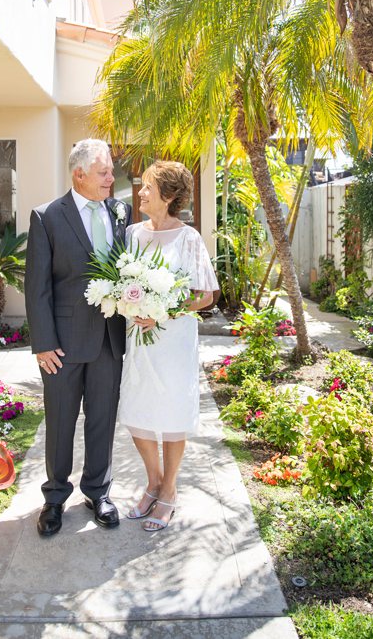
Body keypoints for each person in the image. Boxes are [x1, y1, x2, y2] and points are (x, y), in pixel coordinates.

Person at [24, 139, 130, 536]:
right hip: (62, 344)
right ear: (79, 174)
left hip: (109, 339)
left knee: (103, 419)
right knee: (61, 422)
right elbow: (37, 287)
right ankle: (54, 498)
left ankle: (98, 491)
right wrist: (43, 343)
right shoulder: (47, 216)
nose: (111, 178)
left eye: (111, 170)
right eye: (103, 172)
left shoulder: (121, 212)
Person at [118, 160, 218, 531]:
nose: (140, 192)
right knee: (136, 411)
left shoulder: (189, 238)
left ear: (170, 196)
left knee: (173, 414)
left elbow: (205, 296)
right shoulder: (131, 234)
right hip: (138, 340)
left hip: (173, 340)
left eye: (148, 187)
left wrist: (162, 312)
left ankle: (170, 490)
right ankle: (153, 482)